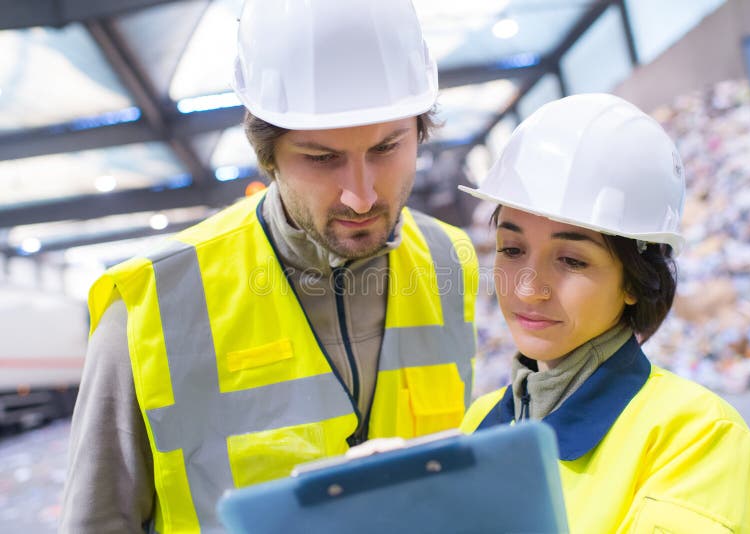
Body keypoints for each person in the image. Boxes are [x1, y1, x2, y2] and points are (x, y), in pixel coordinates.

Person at [60, 1, 477, 531]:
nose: (360, 194)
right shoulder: (150, 307)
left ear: (419, 130)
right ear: (268, 153)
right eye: (322, 158)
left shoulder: (450, 262)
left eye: (386, 147)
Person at [459, 94, 750, 533]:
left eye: (572, 260)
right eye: (511, 249)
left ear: (633, 280)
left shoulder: (695, 436)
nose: (527, 288)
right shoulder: (482, 420)